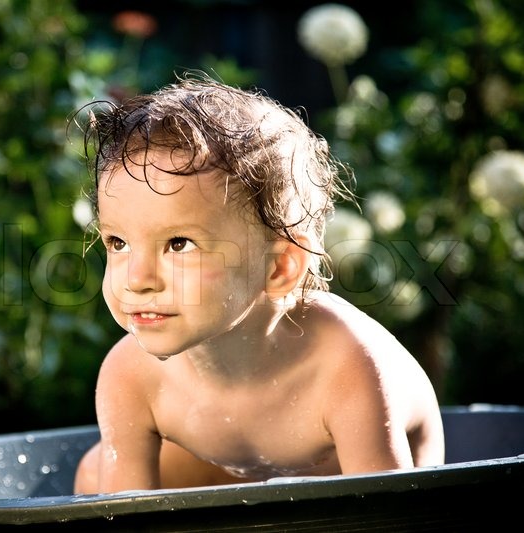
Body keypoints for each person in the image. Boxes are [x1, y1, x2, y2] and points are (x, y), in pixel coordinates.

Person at [71, 72, 445, 494]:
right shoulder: (131, 377)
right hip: (238, 465)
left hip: (348, 482)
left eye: (179, 243)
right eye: (118, 242)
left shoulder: (346, 367)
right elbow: (126, 516)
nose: (136, 279)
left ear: (279, 267)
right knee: (95, 473)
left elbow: (384, 520)